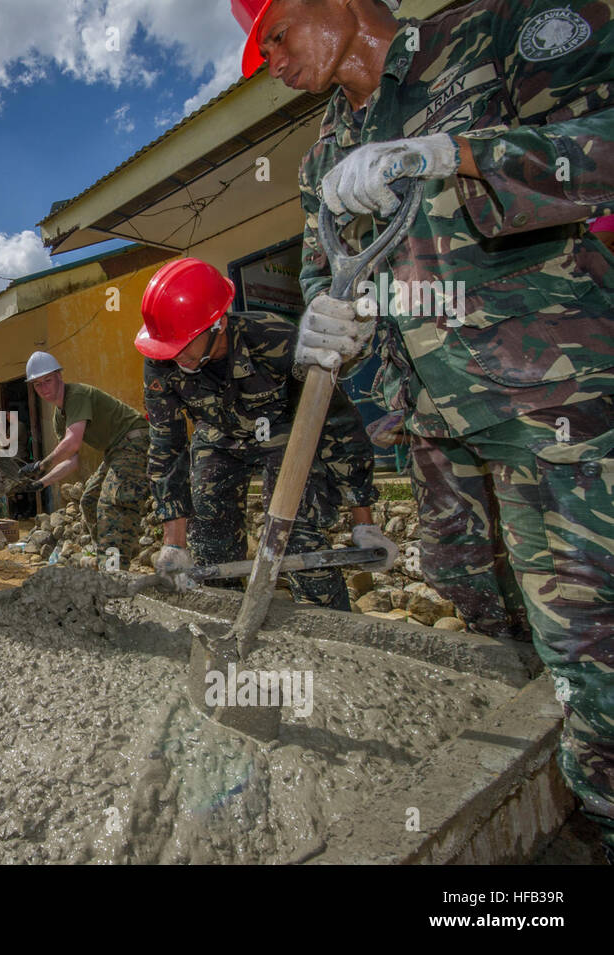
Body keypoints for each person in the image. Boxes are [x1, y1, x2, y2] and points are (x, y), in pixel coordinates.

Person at [234, 0, 614, 858]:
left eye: (276, 36)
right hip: (436, 430)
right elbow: (323, 268)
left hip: (554, 417)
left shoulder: (498, 33)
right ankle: (554, 782)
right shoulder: (323, 157)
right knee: (482, 606)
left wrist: (459, 154)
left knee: (595, 652)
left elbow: (601, 144)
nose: (273, 64)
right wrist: (328, 318)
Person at [137, 257, 393, 607]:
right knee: (211, 536)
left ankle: (329, 626)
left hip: (282, 434)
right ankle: (224, 620)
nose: (174, 355)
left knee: (294, 532)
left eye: (183, 343)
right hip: (218, 438)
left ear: (218, 324)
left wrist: (364, 521)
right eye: (167, 346)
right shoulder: (161, 360)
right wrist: (173, 544)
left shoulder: (277, 341)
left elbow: (337, 422)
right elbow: (167, 447)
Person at [19, 350, 149, 566]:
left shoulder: (76, 395)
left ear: (59, 376)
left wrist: (41, 465)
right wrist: (41, 483)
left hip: (135, 440)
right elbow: (72, 460)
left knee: (108, 505)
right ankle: (116, 556)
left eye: (48, 380)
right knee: (89, 501)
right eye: (38, 384)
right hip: (115, 450)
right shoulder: (59, 417)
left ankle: (114, 569)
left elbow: (72, 442)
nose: (44, 388)